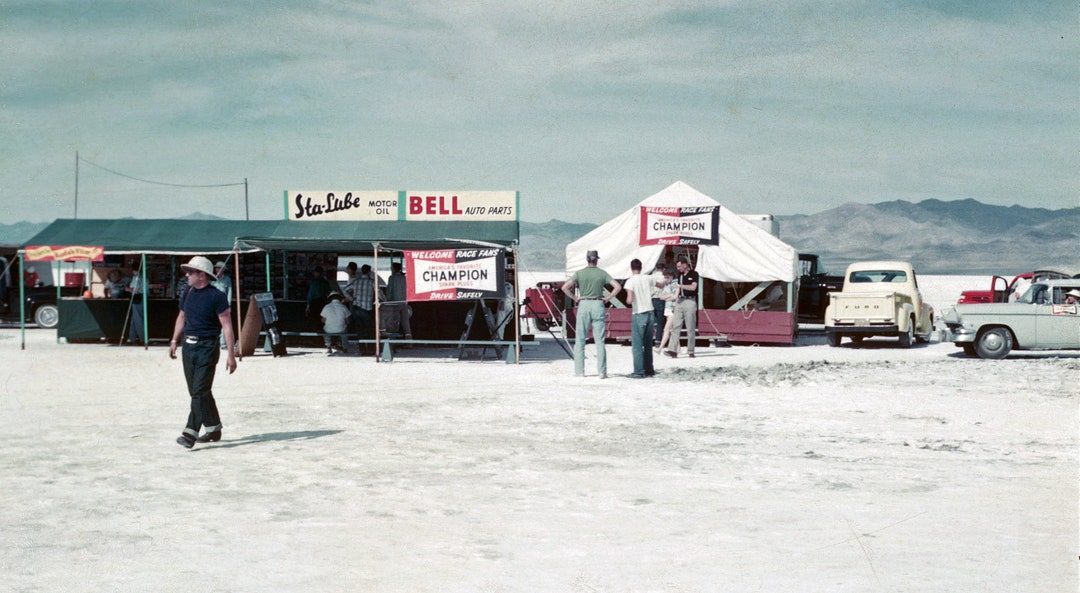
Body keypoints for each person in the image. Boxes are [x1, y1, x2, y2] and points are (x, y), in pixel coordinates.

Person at [169, 256, 237, 449]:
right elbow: (181, 316)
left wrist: (231, 355)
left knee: (199, 391)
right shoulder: (188, 292)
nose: (187, 275)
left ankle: (190, 433)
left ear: (202, 275)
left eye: (190, 272)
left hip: (207, 347)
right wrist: (174, 340)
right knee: (197, 391)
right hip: (188, 347)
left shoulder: (217, 296)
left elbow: (227, 326)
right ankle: (214, 427)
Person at [561, 250, 621, 379]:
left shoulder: (580, 273)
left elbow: (564, 287)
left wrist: (575, 298)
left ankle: (580, 371)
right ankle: (602, 372)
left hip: (584, 304)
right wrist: (608, 298)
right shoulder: (602, 273)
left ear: (587, 259)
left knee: (580, 339)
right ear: (596, 259)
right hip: (598, 303)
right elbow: (617, 287)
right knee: (600, 340)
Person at [623, 258, 655, 378]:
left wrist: (627, 299)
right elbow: (660, 284)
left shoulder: (630, 281)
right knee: (648, 343)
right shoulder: (647, 278)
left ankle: (638, 371)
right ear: (641, 268)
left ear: (631, 268)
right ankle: (649, 369)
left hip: (639, 313)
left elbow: (629, 300)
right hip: (650, 311)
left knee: (637, 345)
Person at [664, 256, 699, 359]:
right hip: (680, 300)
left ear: (685, 265)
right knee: (676, 325)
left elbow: (693, 287)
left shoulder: (694, 274)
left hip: (690, 301)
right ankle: (672, 350)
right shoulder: (680, 275)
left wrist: (680, 286)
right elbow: (677, 289)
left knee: (690, 327)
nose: (678, 268)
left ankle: (691, 350)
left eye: (679, 266)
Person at [345, 263, 379, 341]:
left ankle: (362, 346)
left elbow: (345, 290)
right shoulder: (372, 282)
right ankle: (369, 346)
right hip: (367, 308)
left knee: (359, 328)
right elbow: (379, 292)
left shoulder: (356, 281)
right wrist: (383, 300)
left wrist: (351, 299)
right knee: (369, 328)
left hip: (357, 307)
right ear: (369, 272)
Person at [384, 261, 412, 339]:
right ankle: (409, 340)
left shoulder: (392, 278)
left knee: (395, 322)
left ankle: (393, 340)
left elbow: (389, 291)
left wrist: (387, 301)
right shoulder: (405, 278)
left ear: (393, 269)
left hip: (395, 303)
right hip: (404, 302)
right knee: (406, 323)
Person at [654, 269, 679, 354]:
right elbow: (661, 297)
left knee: (666, 329)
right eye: (665, 277)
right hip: (667, 308)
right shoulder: (666, 285)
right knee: (672, 329)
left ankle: (660, 348)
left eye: (668, 277)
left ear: (672, 277)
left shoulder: (676, 284)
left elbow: (675, 296)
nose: (666, 279)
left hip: (673, 308)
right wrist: (670, 296)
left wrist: (667, 297)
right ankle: (678, 349)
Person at [212, 261, 234, 349]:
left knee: (225, 324)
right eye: (217, 268)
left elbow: (230, 292)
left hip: (223, 304)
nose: (218, 270)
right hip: (213, 304)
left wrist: (229, 304)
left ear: (223, 270)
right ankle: (213, 342)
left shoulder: (227, 279)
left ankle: (223, 343)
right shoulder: (212, 278)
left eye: (220, 268)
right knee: (213, 323)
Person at [127, 262, 145, 345]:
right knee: (134, 319)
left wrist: (127, 289)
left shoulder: (136, 277)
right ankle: (132, 337)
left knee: (138, 319)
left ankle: (142, 338)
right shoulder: (144, 277)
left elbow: (136, 289)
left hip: (137, 298)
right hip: (142, 298)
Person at [650, 262, 668, 342]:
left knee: (651, 320)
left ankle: (649, 338)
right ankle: (658, 339)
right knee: (660, 321)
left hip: (651, 299)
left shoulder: (650, 277)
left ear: (656, 268)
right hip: (660, 299)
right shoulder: (664, 277)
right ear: (663, 269)